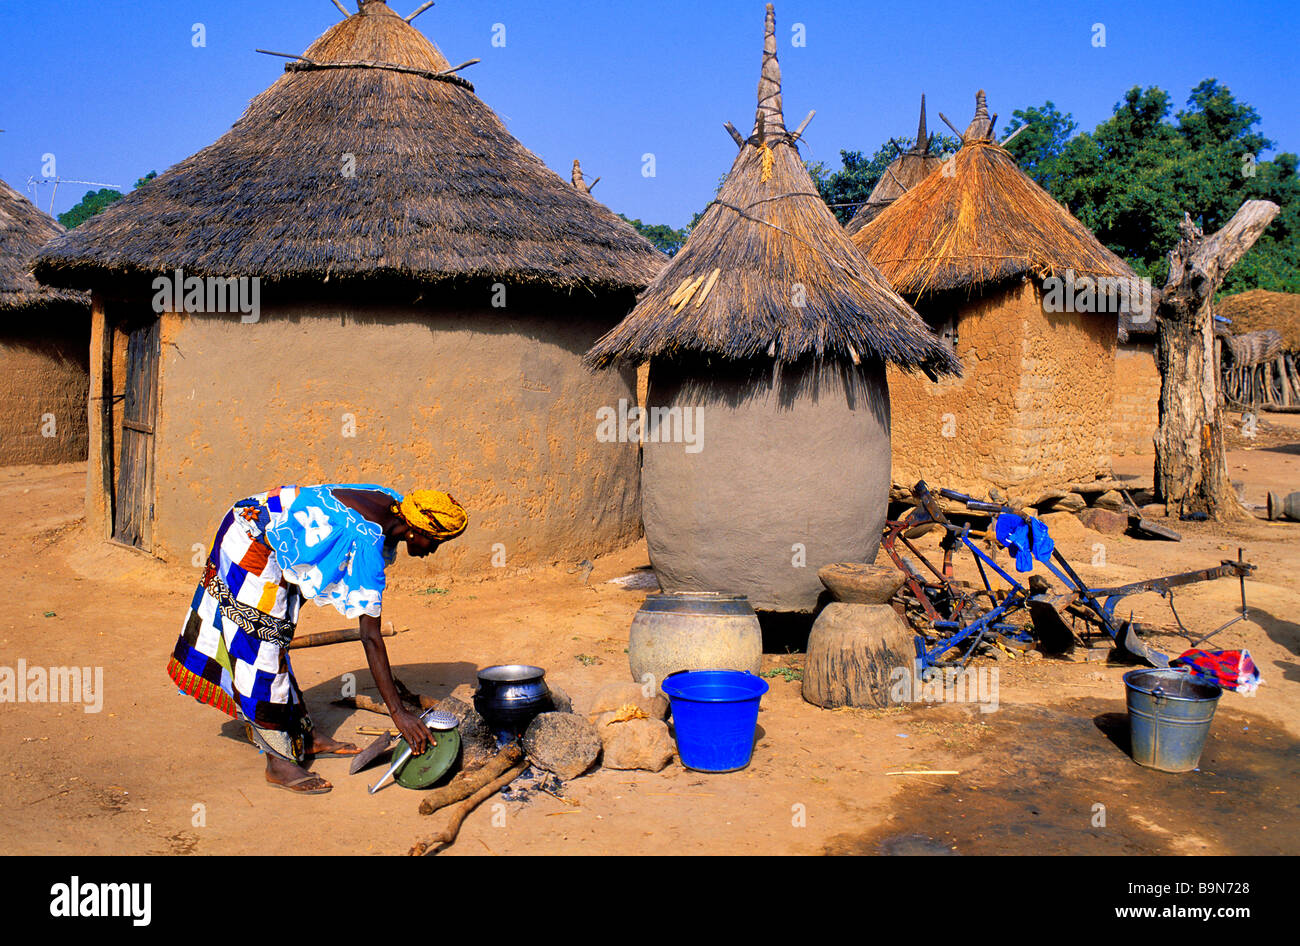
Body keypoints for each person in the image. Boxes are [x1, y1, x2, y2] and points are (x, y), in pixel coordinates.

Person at [166, 484, 467, 794]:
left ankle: (303, 737)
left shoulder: (394, 503)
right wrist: (398, 713)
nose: (432, 551)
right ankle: (278, 760)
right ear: (415, 530)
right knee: (262, 650)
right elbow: (370, 637)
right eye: (436, 542)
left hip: (265, 521)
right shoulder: (366, 543)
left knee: (276, 634)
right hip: (252, 537)